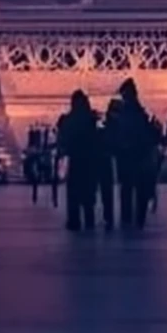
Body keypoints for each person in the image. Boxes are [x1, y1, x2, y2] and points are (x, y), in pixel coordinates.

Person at [106, 79, 158, 230]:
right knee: (137, 190)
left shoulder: (125, 113)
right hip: (137, 157)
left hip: (127, 156)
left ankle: (128, 219)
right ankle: (138, 219)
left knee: (127, 190)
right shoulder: (138, 113)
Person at [58, 90, 99, 232]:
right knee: (88, 194)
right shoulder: (90, 119)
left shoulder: (69, 120)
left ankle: (74, 221)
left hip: (76, 160)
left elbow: (64, 139)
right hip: (89, 161)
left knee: (74, 193)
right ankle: (89, 220)